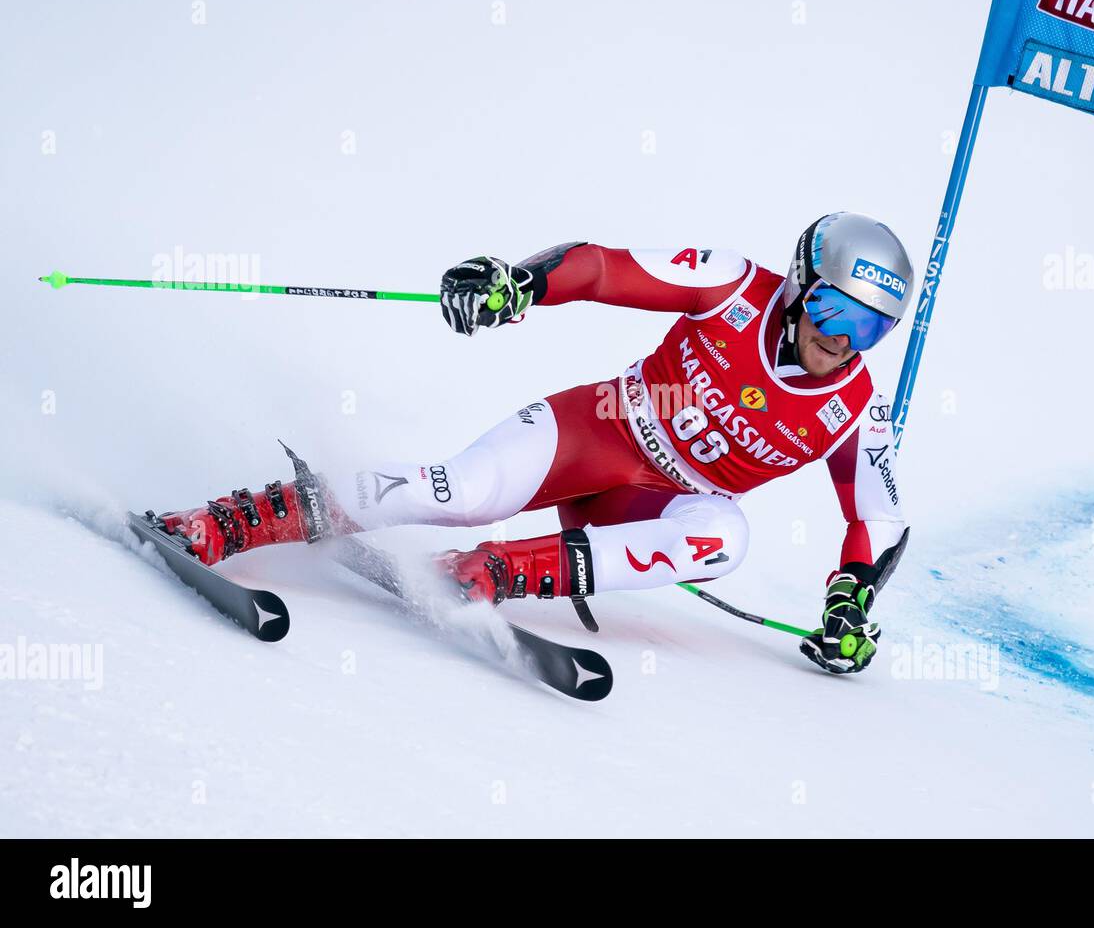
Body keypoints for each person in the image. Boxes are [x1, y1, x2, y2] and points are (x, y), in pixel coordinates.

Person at [156, 212, 913, 674]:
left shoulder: (854, 407)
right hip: (595, 430)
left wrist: (852, 602)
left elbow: (877, 520)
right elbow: (601, 267)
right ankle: (234, 521)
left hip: (649, 506)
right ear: (798, 286)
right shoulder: (733, 287)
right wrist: (517, 283)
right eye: (833, 310)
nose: (841, 340)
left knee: (725, 535)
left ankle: (487, 576)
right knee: (457, 492)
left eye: (870, 328)